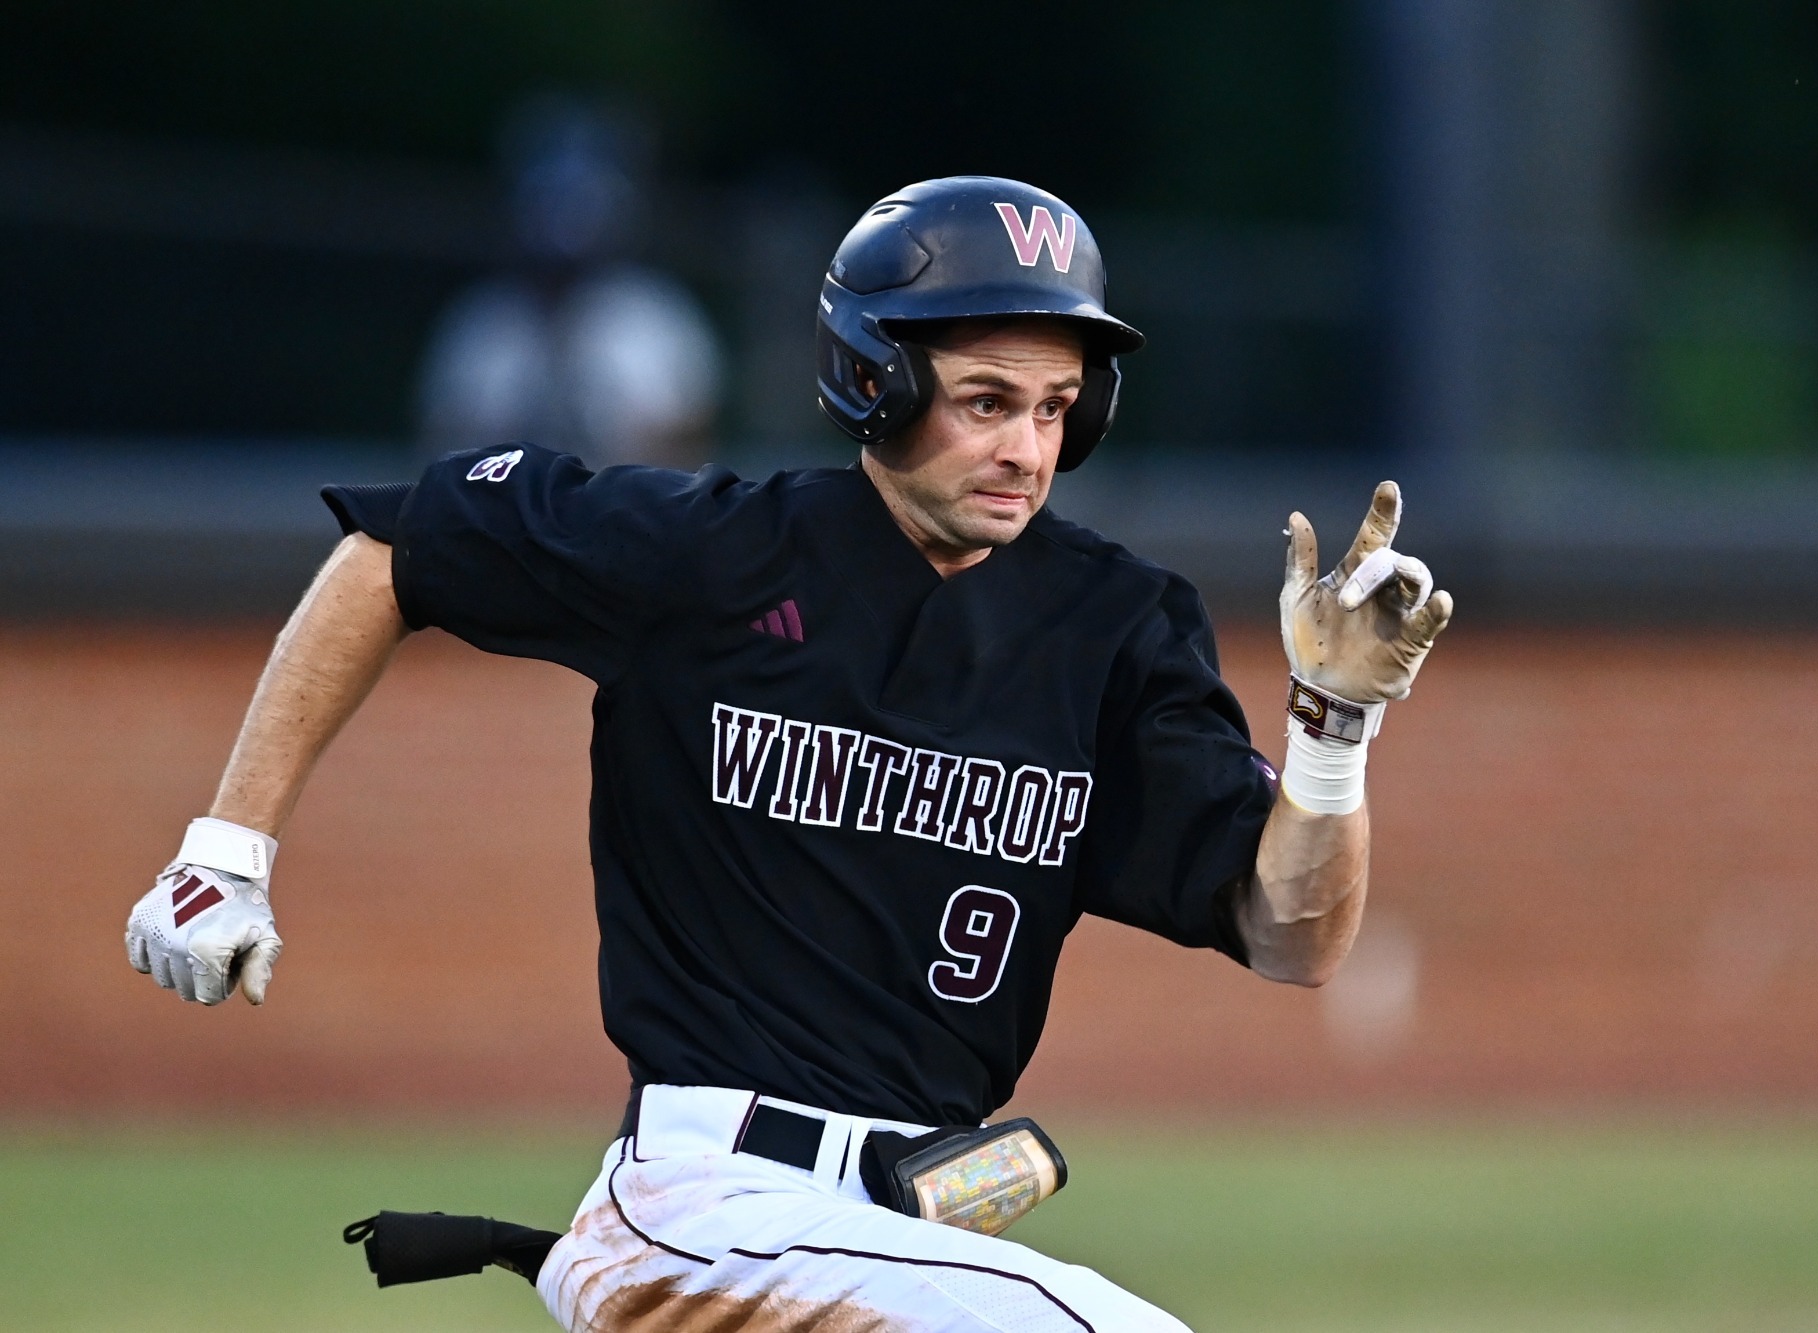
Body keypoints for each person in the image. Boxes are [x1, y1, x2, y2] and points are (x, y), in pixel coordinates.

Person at [125, 176, 1452, 1331]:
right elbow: (396, 550)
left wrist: (1334, 731)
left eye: (1057, 407)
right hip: (704, 1201)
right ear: (876, 378)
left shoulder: (1112, 629)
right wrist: (224, 851)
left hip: (910, 1230)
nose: (1027, 447)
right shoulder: (713, 555)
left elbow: (1294, 936)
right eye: (987, 399)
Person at [415, 96, 724, 470]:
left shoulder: (657, 320)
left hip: (626, 519)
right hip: (505, 522)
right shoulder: (483, 322)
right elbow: (445, 448)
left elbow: (688, 452)